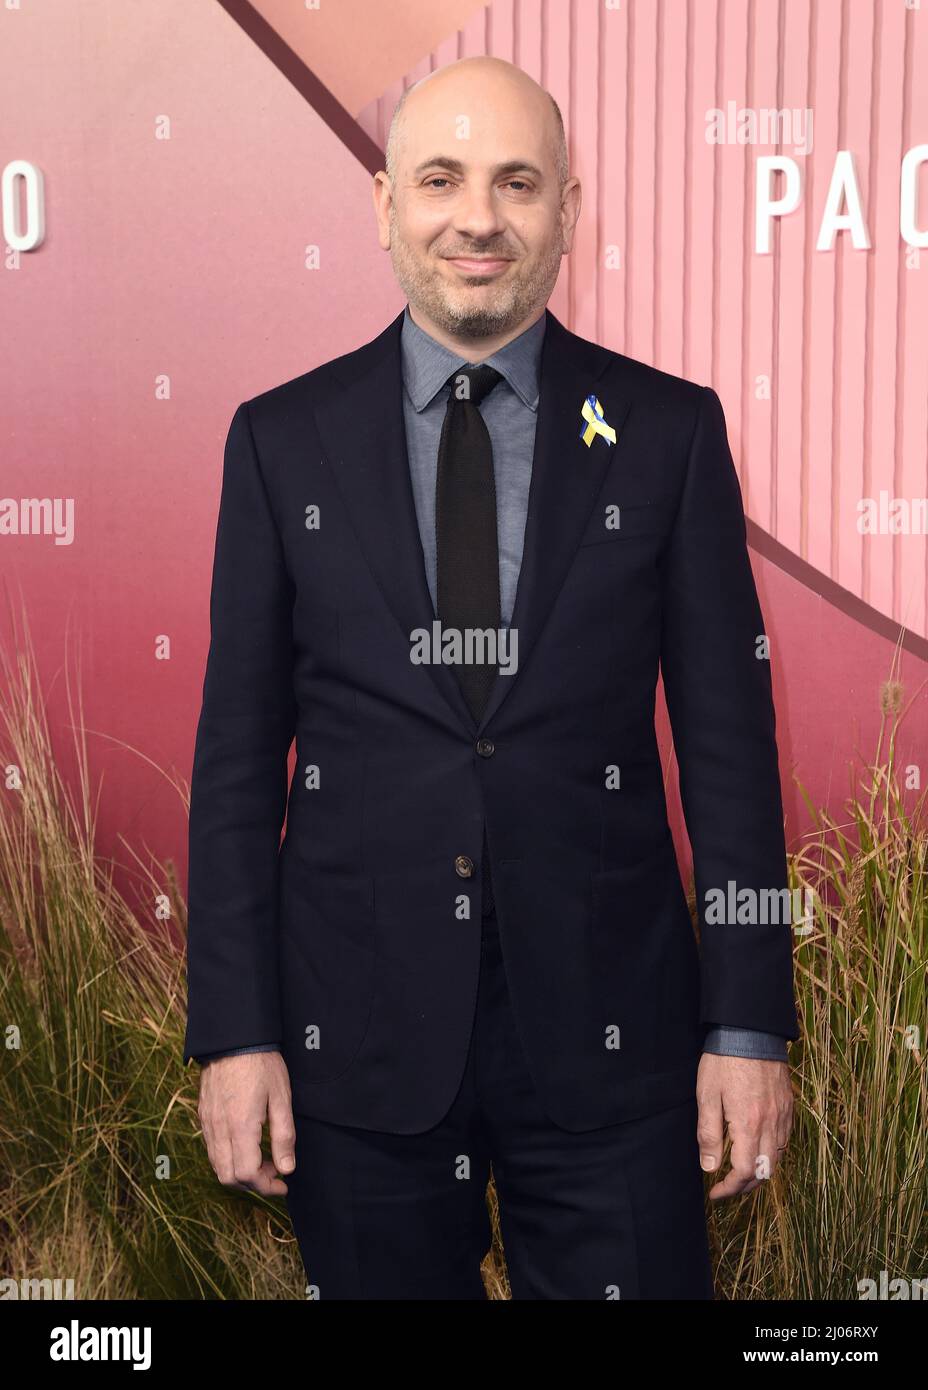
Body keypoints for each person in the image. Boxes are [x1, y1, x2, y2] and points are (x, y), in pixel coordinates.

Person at [184, 55, 798, 1300]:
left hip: (616, 1050)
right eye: (442, 179)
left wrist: (746, 1028)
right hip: (354, 1050)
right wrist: (237, 1032)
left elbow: (730, 758)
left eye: (518, 182)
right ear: (384, 206)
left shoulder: (668, 434)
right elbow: (238, 765)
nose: (478, 217)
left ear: (568, 210)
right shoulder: (279, 439)